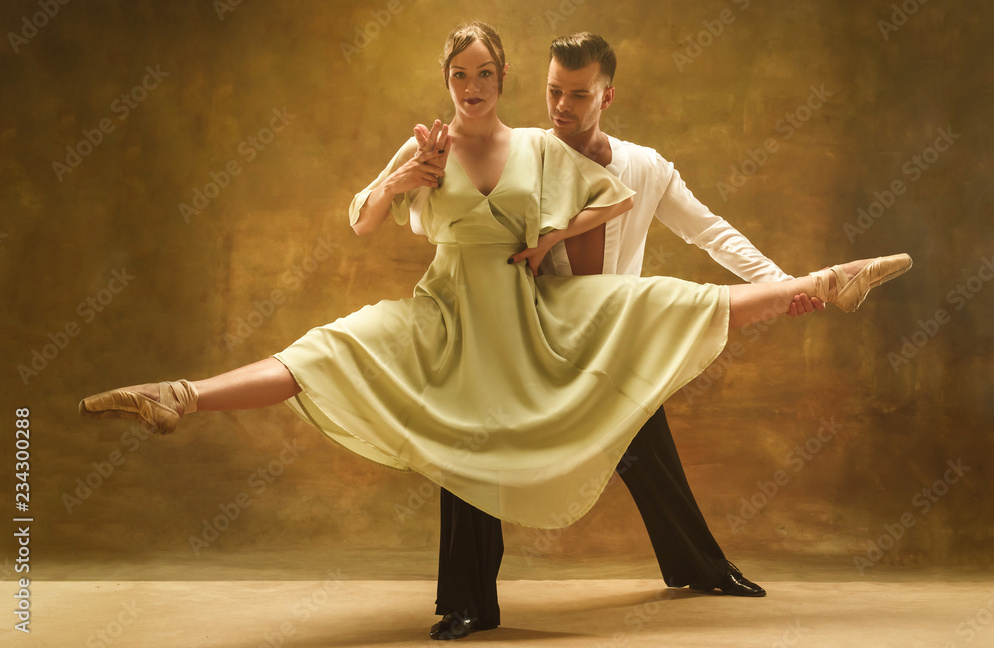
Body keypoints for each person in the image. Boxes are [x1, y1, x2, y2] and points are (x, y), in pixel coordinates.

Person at [79, 20, 911, 632]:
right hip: (448, 315)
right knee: (330, 352)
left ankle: (824, 286)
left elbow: (618, 196)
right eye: (460, 75)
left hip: (541, 323)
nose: (472, 88)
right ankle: (180, 397)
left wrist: (552, 234)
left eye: (485, 75)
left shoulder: (546, 152)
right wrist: (397, 178)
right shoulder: (429, 147)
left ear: (502, 79)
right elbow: (362, 223)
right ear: (448, 80)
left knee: (672, 301)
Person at [429, 31, 827, 640]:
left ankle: (702, 568)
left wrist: (781, 284)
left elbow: (710, 233)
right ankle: (468, 602)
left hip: (616, 338)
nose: (561, 107)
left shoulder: (645, 166)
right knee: (475, 449)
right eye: (553, 91)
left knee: (648, 453)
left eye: (578, 95)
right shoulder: (521, 157)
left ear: (607, 96)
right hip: (532, 336)